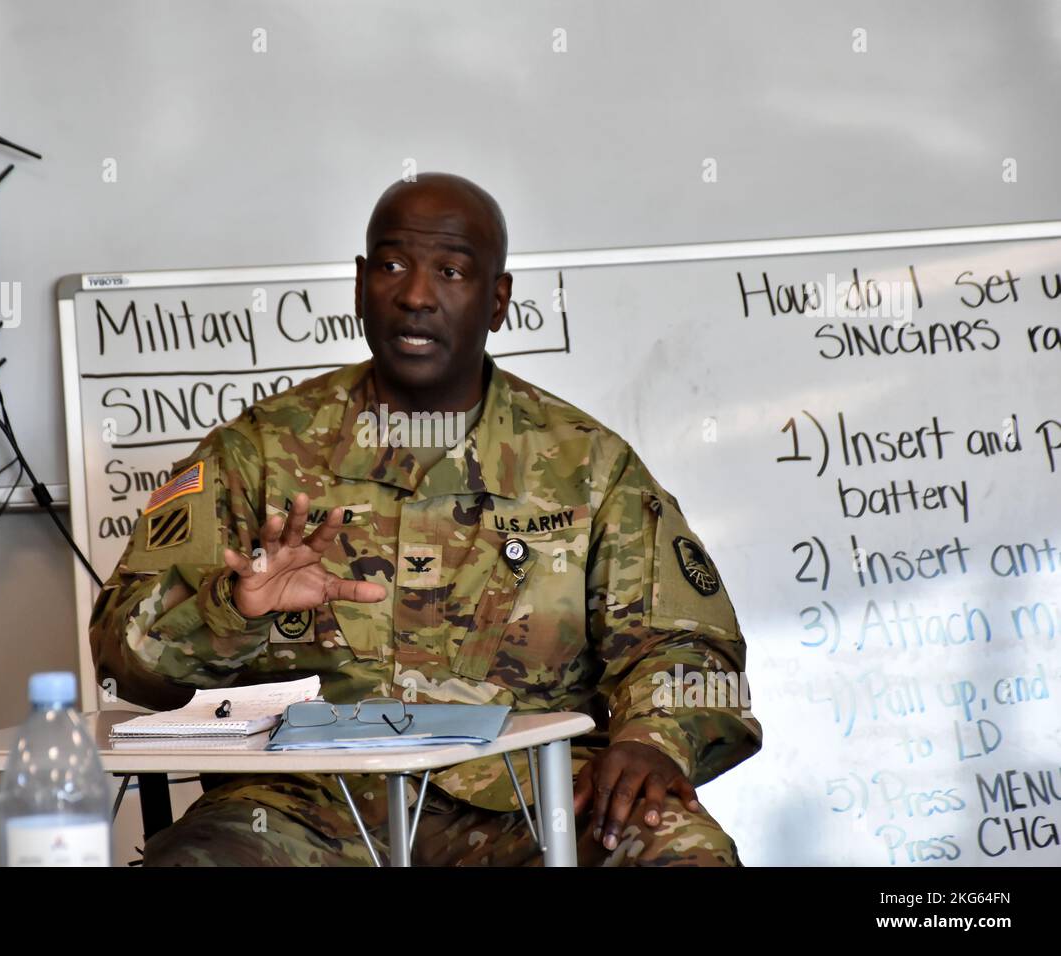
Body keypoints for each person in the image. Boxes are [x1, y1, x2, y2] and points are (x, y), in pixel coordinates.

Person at [90, 172, 762, 866]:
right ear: (358, 285)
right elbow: (119, 661)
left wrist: (653, 739)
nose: (415, 295)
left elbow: (686, 648)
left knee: (683, 852)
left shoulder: (586, 465)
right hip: (300, 808)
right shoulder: (257, 453)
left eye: (450, 271)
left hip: (536, 803)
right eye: (390, 265)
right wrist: (229, 610)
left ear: (497, 299)